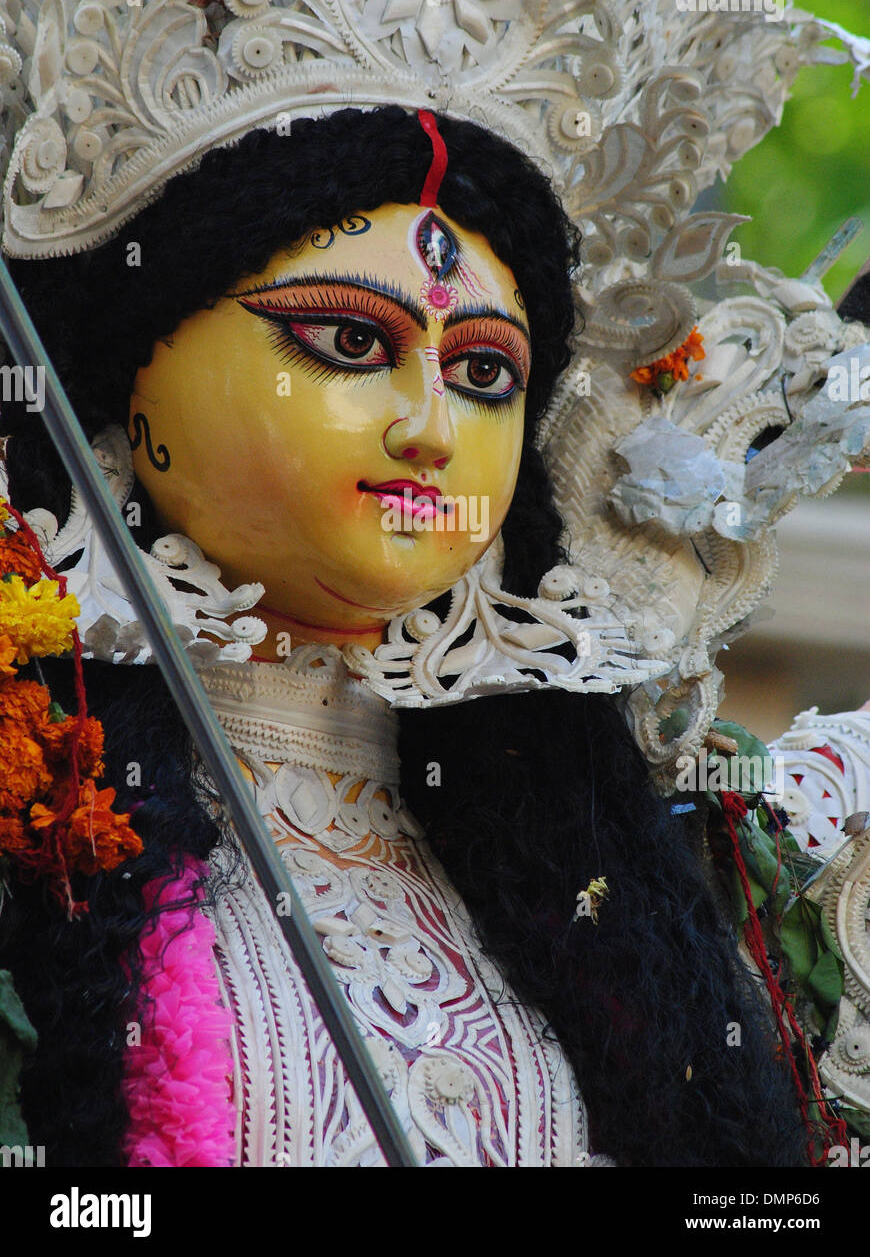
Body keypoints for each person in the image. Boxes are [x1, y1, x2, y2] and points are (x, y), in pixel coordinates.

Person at [0, 105, 820, 1167]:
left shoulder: (642, 838)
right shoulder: (35, 793)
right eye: (349, 341)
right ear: (132, 373)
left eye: (484, 375)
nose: (429, 427)